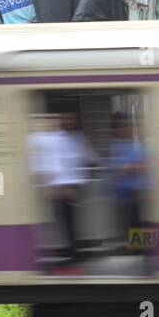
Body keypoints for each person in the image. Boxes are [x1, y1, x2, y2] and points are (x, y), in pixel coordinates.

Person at [27, 111, 98, 273]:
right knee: (64, 221)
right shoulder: (51, 138)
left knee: (67, 221)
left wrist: (63, 186)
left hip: (66, 185)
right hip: (63, 185)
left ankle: (73, 252)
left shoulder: (62, 138)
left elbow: (65, 162)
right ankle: (70, 250)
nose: (59, 123)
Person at [108, 112, 151, 255]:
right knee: (130, 222)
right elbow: (117, 168)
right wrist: (133, 167)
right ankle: (136, 250)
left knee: (140, 221)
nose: (127, 130)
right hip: (125, 192)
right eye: (123, 127)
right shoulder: (116, 146)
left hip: (139, 190)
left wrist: (131, 167)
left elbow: (147, 165)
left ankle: (142, 251)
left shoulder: (140, 146)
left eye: (129, 127)